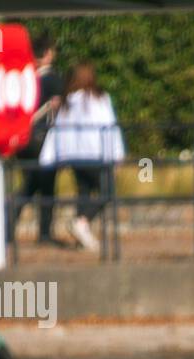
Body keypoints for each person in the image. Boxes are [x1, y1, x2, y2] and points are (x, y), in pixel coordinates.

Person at [38, 63, 125, 252]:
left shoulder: (67, 101)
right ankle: (82, 223)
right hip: (95, 154)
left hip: (73, 156)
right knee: (107, 191)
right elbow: (109, 126)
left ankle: (81, 239)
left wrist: (53, 156)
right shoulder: (100, 99)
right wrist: (117, 155)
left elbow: (57, 129)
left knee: (84, 193)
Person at [8, 33, 63, 244]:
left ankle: (8, 225)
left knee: (29, 183)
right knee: (46, 186)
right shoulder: (53, 79)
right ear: (48, 53)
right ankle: (44, 233)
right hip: (43, 139)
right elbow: (57, 106)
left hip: (23, 139)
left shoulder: (24, 79)